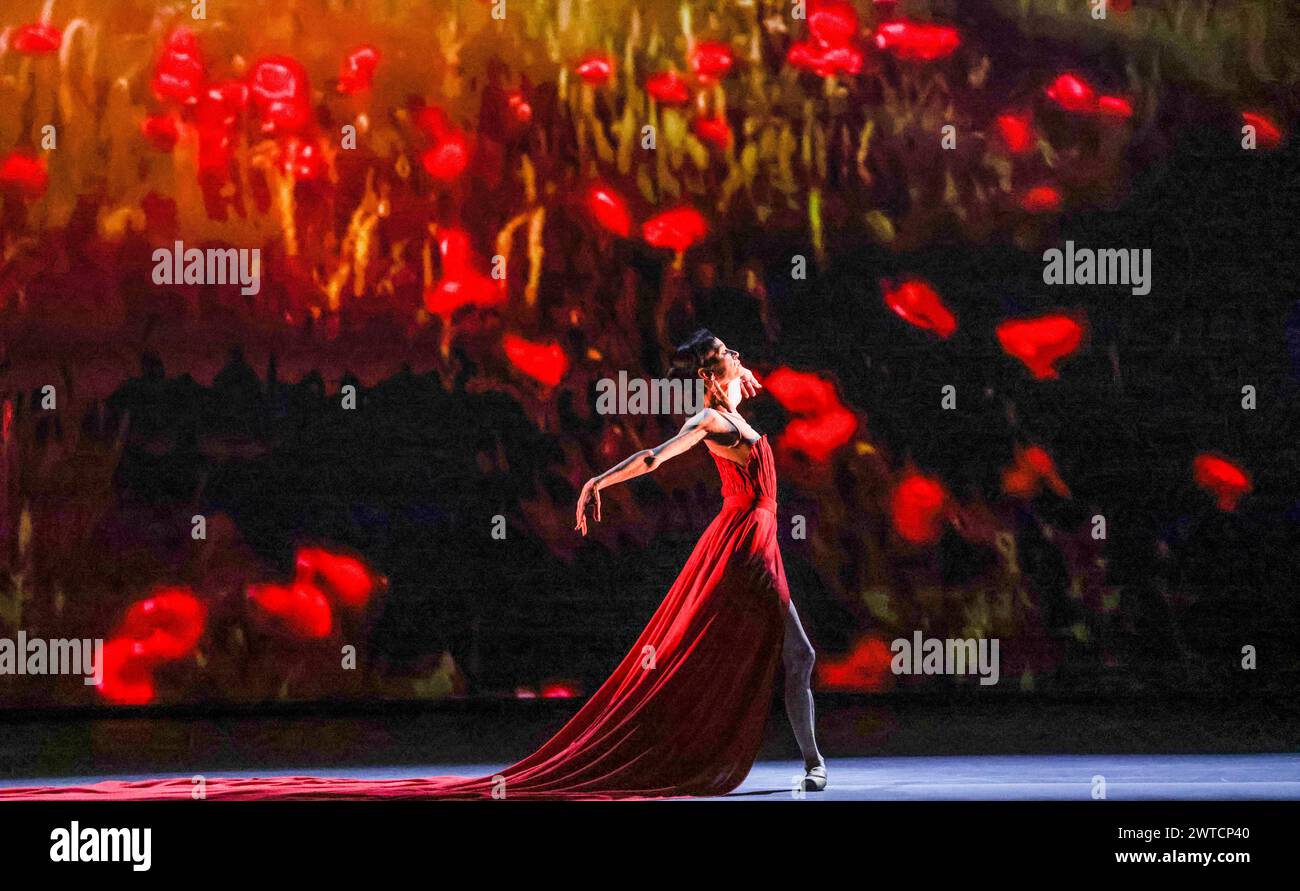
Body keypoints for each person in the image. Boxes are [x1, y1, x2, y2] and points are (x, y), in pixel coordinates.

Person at [0, 330, 826, 801]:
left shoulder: (733, 399)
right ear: (707, 376)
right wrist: (596, 480)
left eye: (729, 364)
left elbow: (746, 382)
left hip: (752, 540)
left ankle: (806, 759)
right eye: (724, 365)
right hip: (742, 548)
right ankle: (795, 760)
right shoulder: (705, 418)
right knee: (784, 653)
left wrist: (736, 369)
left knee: (791, 654)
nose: (736, 371)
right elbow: (655, 454)